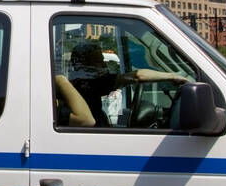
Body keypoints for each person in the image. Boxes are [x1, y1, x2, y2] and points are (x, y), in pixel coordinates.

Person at [57, 41, 189, 127]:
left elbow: (137, 76)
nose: (104, 65)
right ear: (81, 64)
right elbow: (86, 121)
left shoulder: (94, 83)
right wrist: (172, 76)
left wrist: (171, 76)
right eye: (97, 61)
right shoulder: (71, 90)